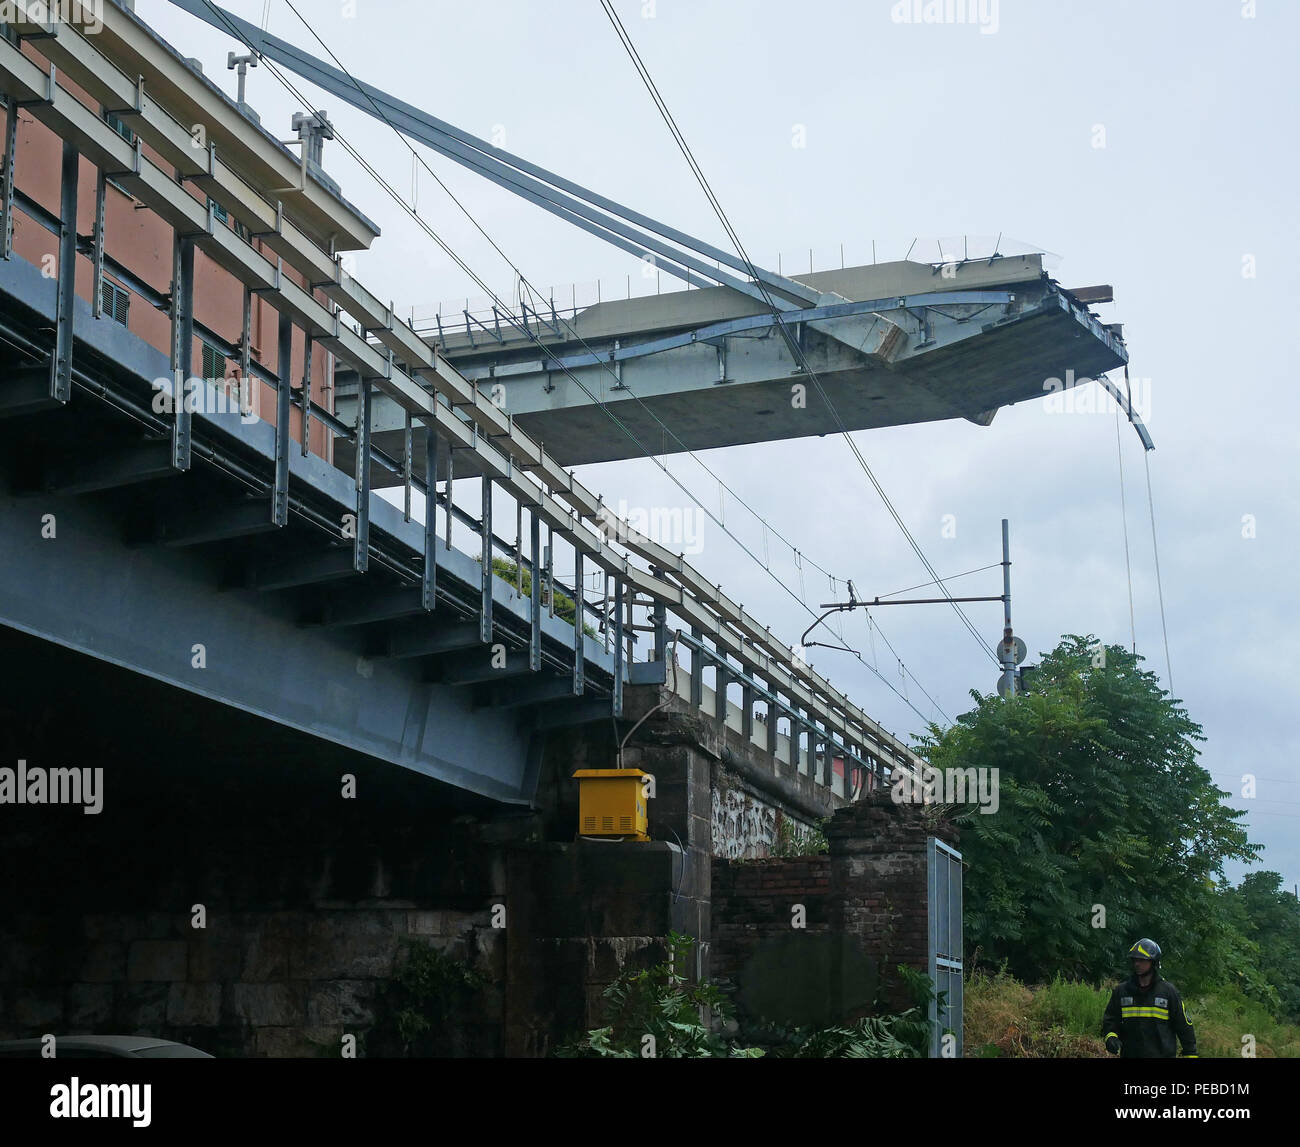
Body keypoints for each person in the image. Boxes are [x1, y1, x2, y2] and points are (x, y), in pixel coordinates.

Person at [1102, 938, 1197, 1058]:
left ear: (1154, 962)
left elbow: (1184, 1026)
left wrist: (1191, 1053)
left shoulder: (1168, 992)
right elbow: (1111, 1019)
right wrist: (1111, 1036)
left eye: (1142, 960)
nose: (1137, 964)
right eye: (1135, 960)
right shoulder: (1122, 991)